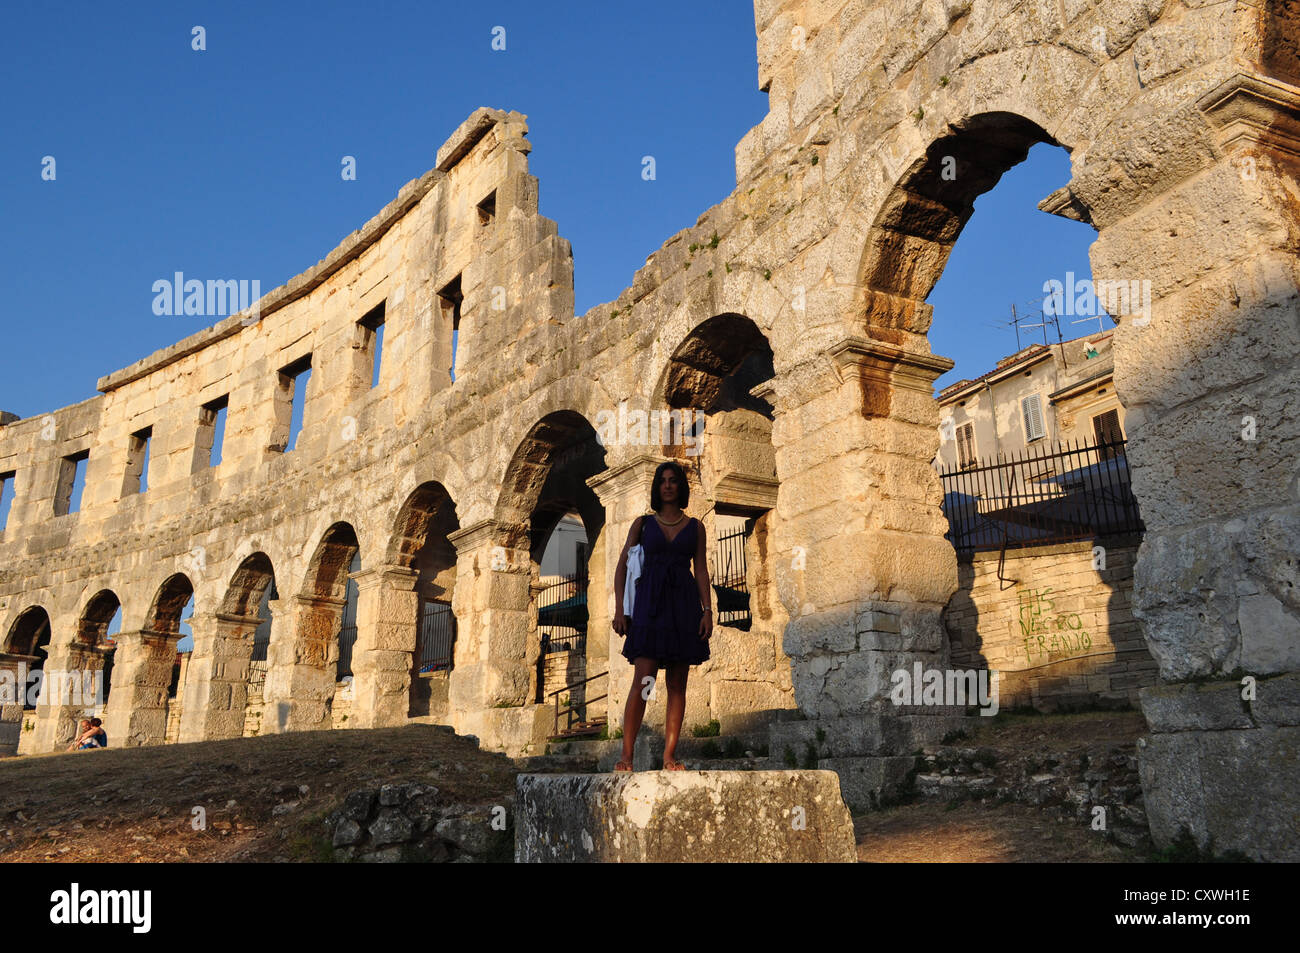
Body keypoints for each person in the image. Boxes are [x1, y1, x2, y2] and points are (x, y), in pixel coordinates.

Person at [611, 461, 713, 771]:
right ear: (657, 487)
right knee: (644, 679)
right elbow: (622, 567)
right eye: (663, 481)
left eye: (673, 480)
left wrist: (707, 611)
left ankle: (669, 755)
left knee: (677, 683)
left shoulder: (696, 527)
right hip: (649, 606)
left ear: (681, 486)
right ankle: (626, 755)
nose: (668, 485)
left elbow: (701, 570)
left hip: (683, 606)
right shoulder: (642, 524)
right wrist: (620, 609)